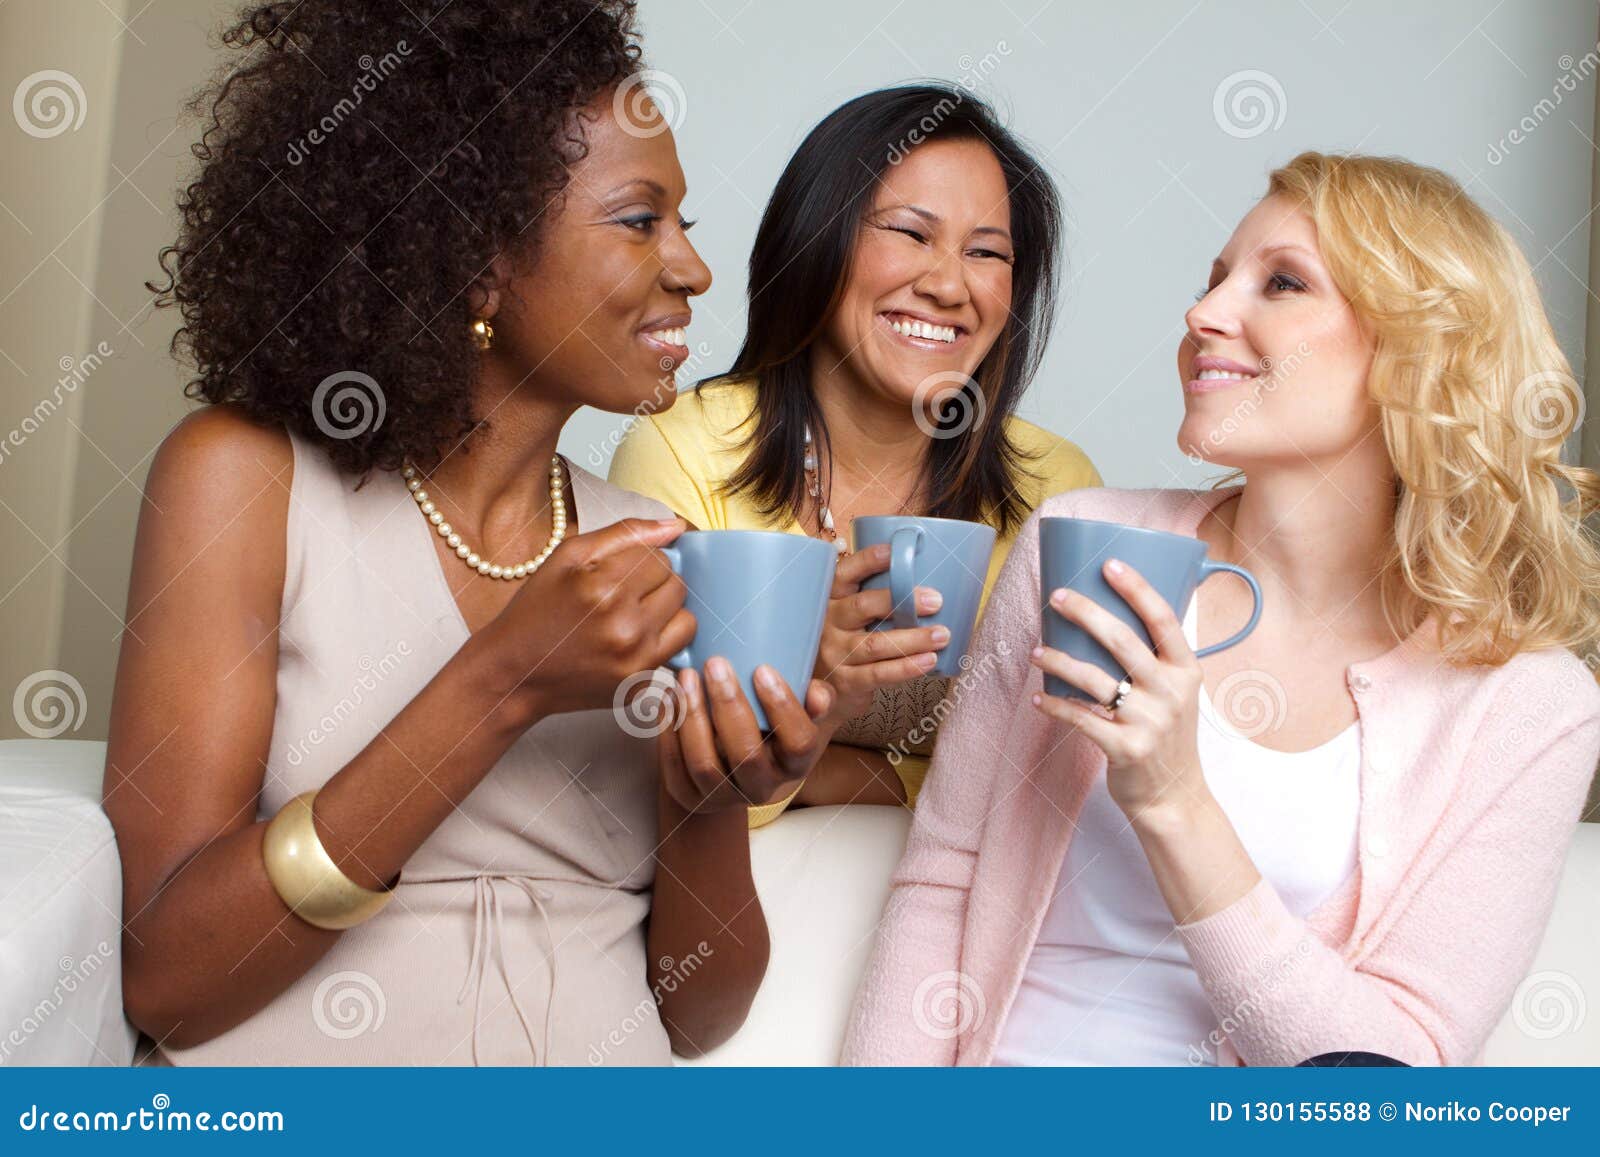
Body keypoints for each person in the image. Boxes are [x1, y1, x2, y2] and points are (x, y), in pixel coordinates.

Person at [106, 0, 824, 1065]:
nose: (693, 269)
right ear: (476, 256)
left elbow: (698, 1016)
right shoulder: (245, 481)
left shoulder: (650, 547)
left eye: (687, 225)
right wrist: (502, 683)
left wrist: (704, 797)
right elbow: (168, 977)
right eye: (640, 220)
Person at [842, 152, 1600, 1066]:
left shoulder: (1529, 704)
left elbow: (1399, 1075)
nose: (1204, 314)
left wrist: (1175, 802)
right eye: (1213, 280)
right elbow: (943, 879)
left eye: (1281, 282)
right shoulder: (1082, 542)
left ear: (1419, 356)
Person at [610, 84, 1100, 826]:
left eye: (987, 252)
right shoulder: (680, 447)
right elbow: (682, 787)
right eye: (911, 233)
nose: (947, 284)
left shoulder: (1056, 488)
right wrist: (823, 701)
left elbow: (1053, 795)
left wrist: (861, 778)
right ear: (817, 240)